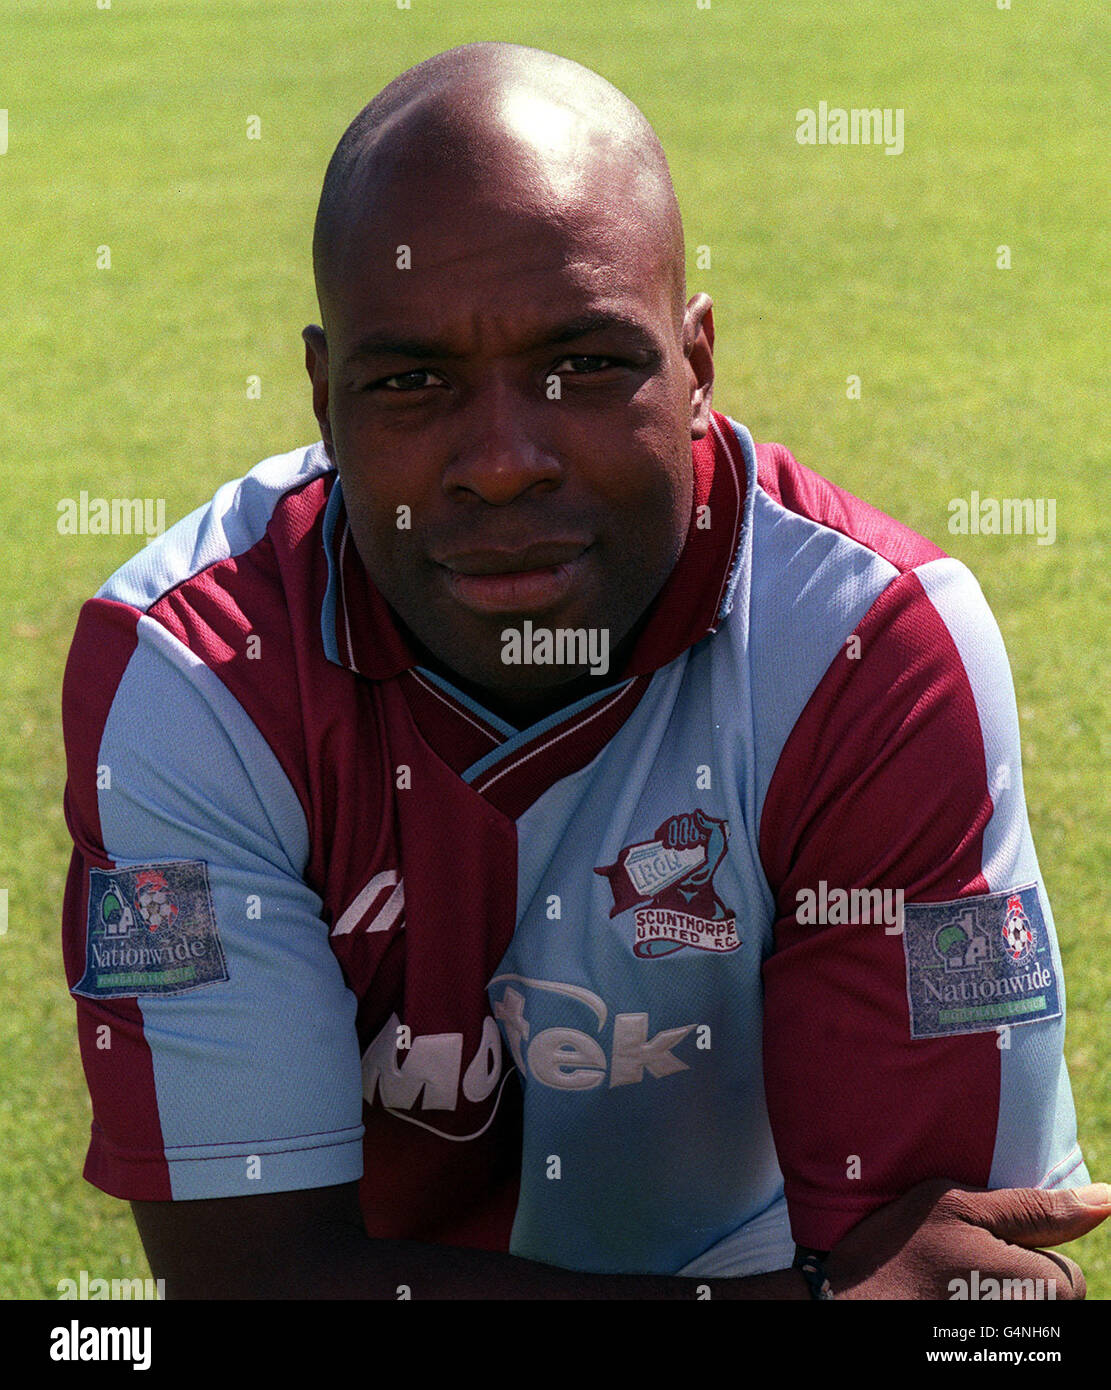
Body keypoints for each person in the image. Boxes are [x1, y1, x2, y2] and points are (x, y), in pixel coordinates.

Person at [61, 41, 1106, 1299]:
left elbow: (950, 1273)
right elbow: (249, 1280)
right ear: (323, 398)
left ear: (698, 366)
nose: (502, 461)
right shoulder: (183, 678)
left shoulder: (876, 655)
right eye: (410, 381)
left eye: (587, 364)